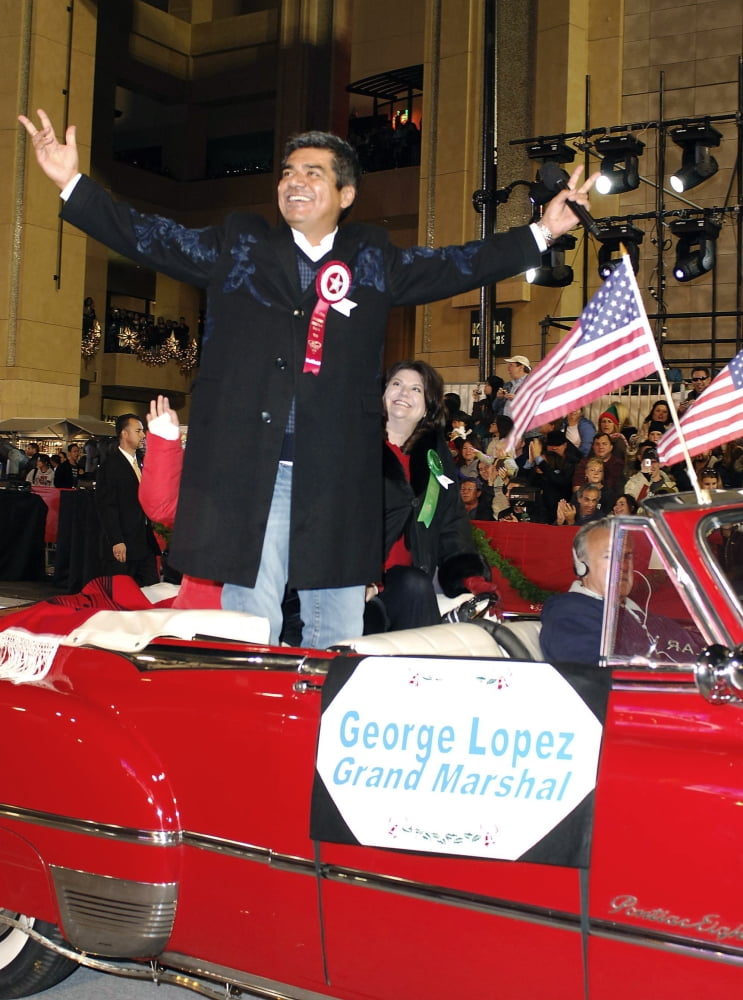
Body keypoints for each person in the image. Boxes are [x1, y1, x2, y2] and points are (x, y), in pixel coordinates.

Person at [20, 108, 596, 649]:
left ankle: (321, 715)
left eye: (313, 173)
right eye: (288, 172)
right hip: (254, 473)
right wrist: (74, 184)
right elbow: (154, 237)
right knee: (251, 620)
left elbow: (455, 265)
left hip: (337, 475)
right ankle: (252, 716)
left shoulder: (371, 258)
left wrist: (541, 233)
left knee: (337, 623)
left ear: (345, 194)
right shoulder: (242, 245)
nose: (294, 182)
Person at [364, 360, 499, 633]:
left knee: (414, 585)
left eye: (416, 389)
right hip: (355, 583)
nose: (404, 393)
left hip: (408, 582)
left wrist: (467, 574)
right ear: (382, 393)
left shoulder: (434, 456)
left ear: (428, 406)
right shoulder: (356, 446)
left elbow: (451, 519)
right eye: (396, 384)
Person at [541, 518, 701, 664]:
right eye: (610, 557)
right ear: (581, 566)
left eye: (627, 556)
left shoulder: (637, 613)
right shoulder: (571, 613)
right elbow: (589, 672)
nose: (623, 566)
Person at [96, 413, 160, 587]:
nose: (143, 435)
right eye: (138, 431)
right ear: (124, 433)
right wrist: (116, 540)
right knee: (122, 594)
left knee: (152, 590)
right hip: (123, 544)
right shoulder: (111, 466)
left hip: (144, 542)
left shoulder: (141, 462)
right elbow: (106, 506)